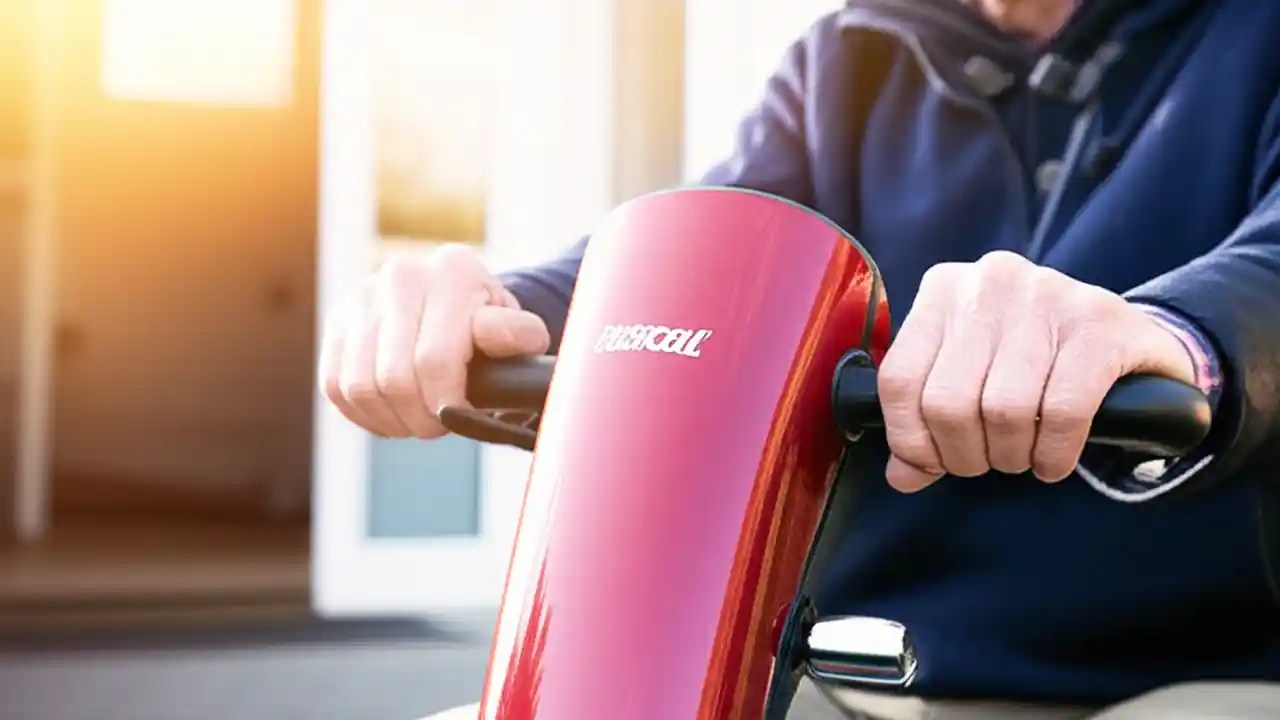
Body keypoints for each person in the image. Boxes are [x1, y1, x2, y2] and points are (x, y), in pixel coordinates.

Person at [320, 1, 1280, 717]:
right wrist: (498, 311)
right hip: (860, 663)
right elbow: (714, 259)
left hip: (1192, 672)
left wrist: (1179, 339)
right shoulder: (852, 56)